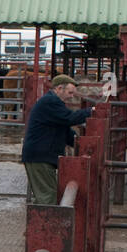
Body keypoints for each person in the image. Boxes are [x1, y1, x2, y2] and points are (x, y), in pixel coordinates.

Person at [21, 74, 95, 205]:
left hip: (41, 155)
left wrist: (81, 143)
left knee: (47, 193)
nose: (72, 96)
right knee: (47, 196)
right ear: (59, 88)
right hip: (40, 157)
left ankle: (43, 222)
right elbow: (69, 118)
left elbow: (65, 129)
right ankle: (45, 224)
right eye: (70, 92)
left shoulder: (52, 102)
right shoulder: (51, 102)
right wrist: (91, 111)